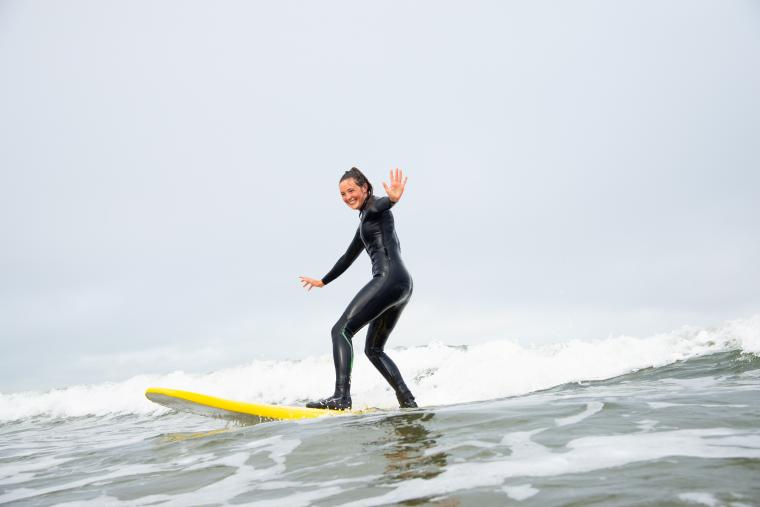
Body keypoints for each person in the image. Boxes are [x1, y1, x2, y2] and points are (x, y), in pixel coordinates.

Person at [299, 167, 417, 410]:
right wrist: (323, 281)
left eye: (351, 190)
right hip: (402, 284)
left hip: (388, 278)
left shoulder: (374, 208)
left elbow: (382, 205)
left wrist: (393, 199)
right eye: (342, 194)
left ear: (365, 188)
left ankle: (341, 396)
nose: (347, 197)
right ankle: (407, 401)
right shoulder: (366, 220)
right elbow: (347, 257)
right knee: (373, 350)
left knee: (340, 330)